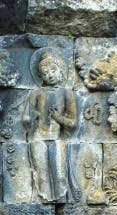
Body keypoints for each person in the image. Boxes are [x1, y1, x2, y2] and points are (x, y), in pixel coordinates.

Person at [23, 52, 78, 203]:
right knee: (42, 175)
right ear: (40, 77)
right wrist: (30, 117)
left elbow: (72, 122)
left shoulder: (66, 93)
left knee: (59, 176)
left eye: (53, 70)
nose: (50, 75)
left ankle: (60, 200)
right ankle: (44, 202)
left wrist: (57, 118)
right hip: (38, 137)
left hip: (56, 138)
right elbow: (25, 117)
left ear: (61, 71)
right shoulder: (36, 93)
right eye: (45, 73)